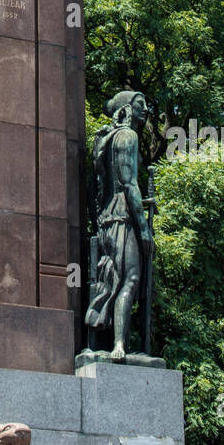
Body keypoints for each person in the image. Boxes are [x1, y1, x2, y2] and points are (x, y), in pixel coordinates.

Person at [85, 91, 152, 361]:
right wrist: (144, 228)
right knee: (130, 280)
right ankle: (120, 345)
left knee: (111, 279)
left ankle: (111, 341)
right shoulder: (128, 137)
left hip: (107, 219)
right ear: (126, 109)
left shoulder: (107, 139)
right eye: (140, 105)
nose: (145, 109)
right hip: (124, 217)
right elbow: (128, 182)